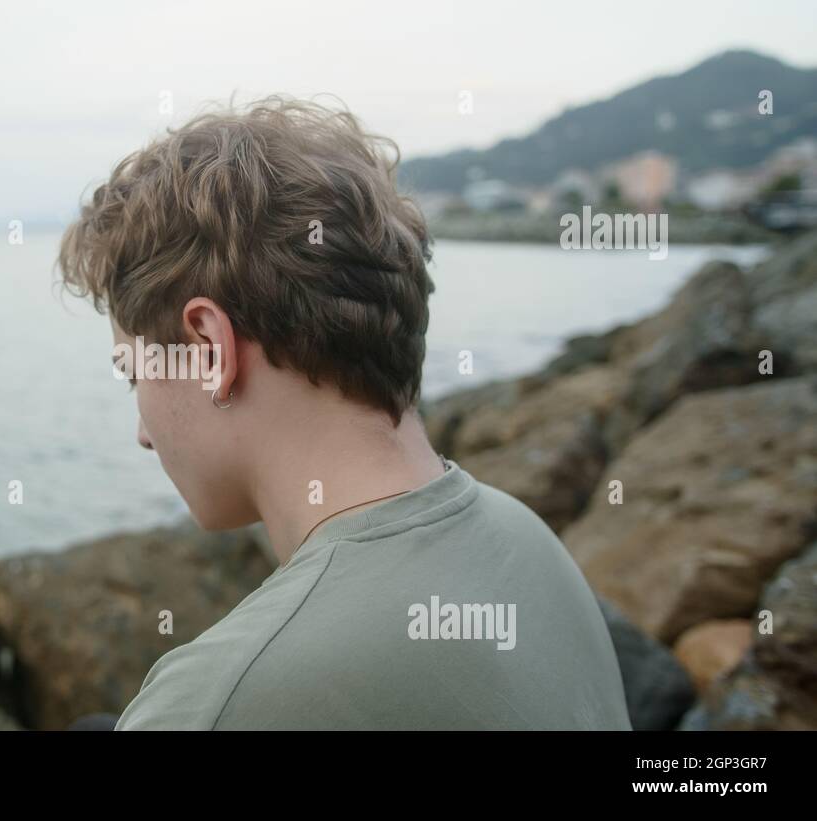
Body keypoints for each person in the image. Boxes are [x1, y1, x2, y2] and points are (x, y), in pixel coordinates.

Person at [56, 96, 631, 730]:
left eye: (134, 372)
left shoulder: (222, 697)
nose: (142, 432)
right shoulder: (531, 544)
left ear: (210, 350)